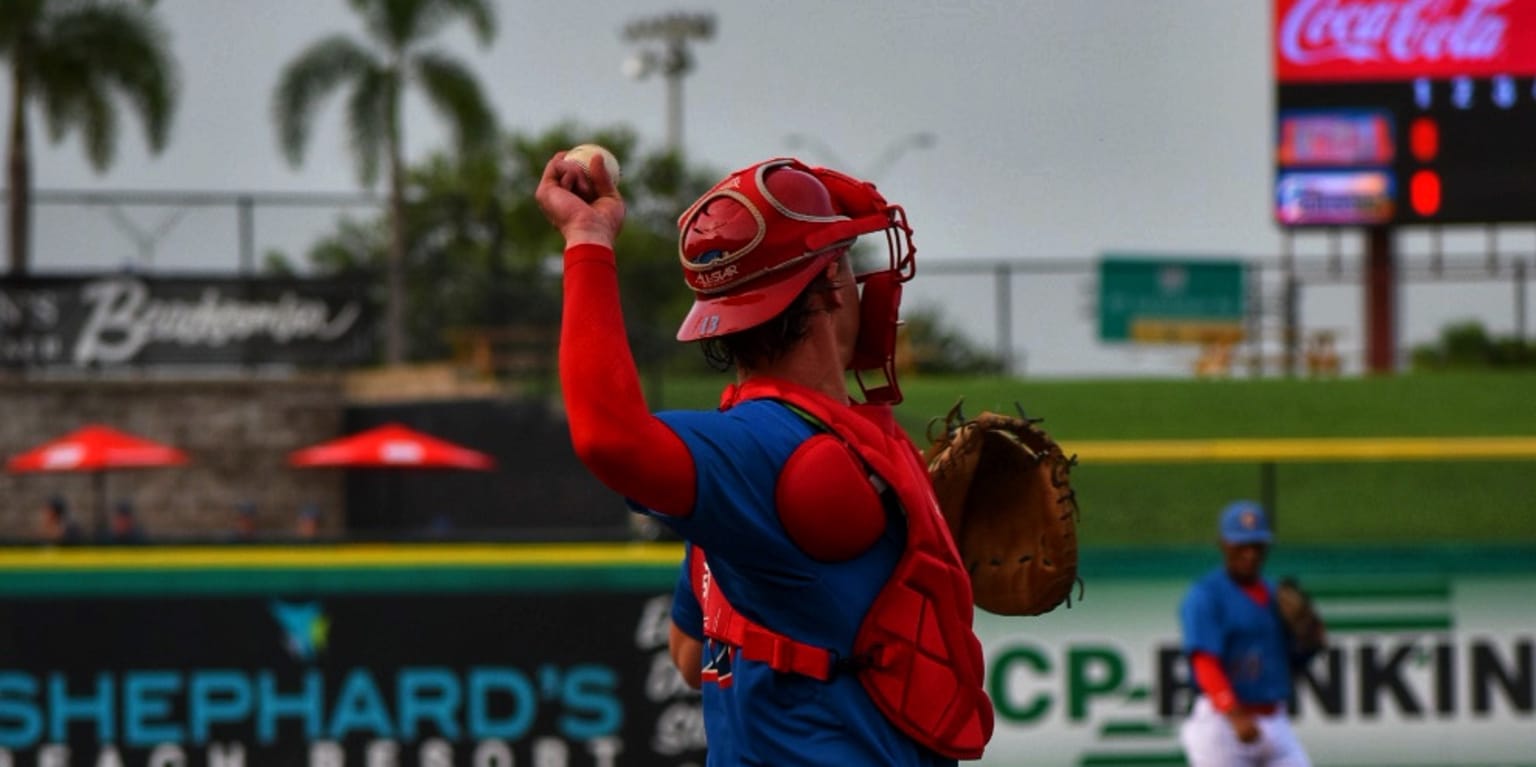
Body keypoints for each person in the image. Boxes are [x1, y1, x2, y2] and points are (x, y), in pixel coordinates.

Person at [537, 151, 992, 765]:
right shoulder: (773, 451)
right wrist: (587, 239)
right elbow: (609, 439)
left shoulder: (744, 465)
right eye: (849, 264)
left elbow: (690, 655)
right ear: (830, 283)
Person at [1178, 500, 1324, 767]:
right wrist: (1233, 713)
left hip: (1274, 718)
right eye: (1241, 545)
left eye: (1257, 545)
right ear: (1223, 544)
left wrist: (1311, 639)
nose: (1250, 554)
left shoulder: (1273, 594)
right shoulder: (1206, 595)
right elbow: (1204, 662)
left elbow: (1292, 662)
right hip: (1222, 722)